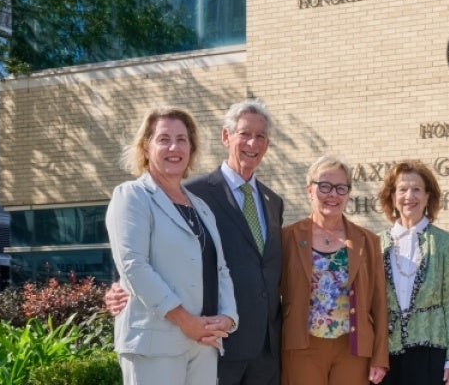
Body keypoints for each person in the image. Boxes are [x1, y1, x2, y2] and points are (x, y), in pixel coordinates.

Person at [106, 100, 285, 385]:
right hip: (177, 341)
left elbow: (224, 266)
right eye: (164, 139)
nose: (253, 142)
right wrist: (118, 287)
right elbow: (133, 261)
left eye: (182, 140)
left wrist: (229, 317)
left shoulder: (269, 201)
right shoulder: (188, 191)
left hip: (231, 341)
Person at [280, 155, 389, 385]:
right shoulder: (287, 238)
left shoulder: (367, 240)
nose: (333, 194)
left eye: (341, 188)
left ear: (348, 194)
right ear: (310, 190)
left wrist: (380, 356)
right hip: (302, 346)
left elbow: (379, 302)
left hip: (352, 347)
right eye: (325, 186)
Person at [378, 160, 449, 385]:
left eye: (417, 189)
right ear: (392, 196)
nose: (409, 196)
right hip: (386, 352)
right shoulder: (377, 243)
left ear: (427, 197)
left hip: (430, 350)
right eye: (402, 189)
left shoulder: (445, 242)